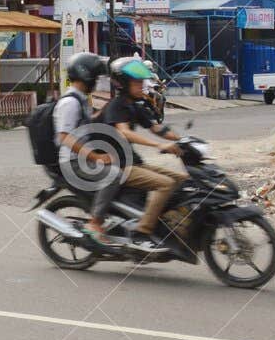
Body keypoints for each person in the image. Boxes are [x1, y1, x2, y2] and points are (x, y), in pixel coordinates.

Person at [96, 56, 186, 253]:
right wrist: (159, 145)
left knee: (183, 180)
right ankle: (142, 233)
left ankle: (160, 222)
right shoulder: (116, 105)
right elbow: (124, 132)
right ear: (124, 84)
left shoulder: (134, 106)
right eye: (137, 82)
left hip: (133, 162)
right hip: (117, 165)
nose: (142, 86)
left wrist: (184, 140)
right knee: (166, 184)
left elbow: (156, 128)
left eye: (142, 82)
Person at [53, 52, 116, 243]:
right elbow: (64, 137)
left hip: (81, 159)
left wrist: (109, 108)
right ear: (86, 76)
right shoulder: (70, 102)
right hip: (73, 163)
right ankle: (94, 222)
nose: (97, 83)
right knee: (114, 175)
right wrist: (95, 157)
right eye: (95, 78)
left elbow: (87, 125)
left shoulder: (81, 99)